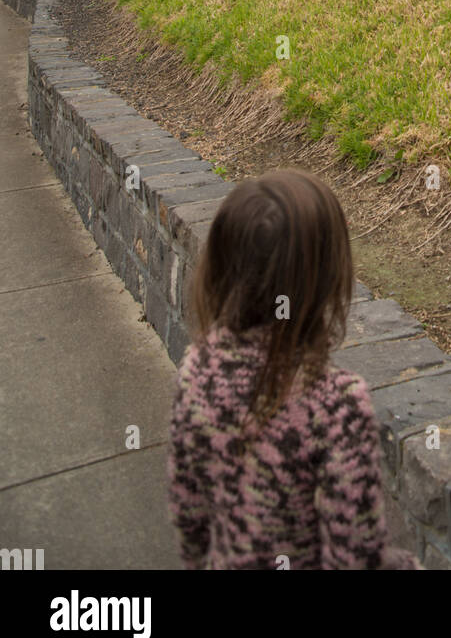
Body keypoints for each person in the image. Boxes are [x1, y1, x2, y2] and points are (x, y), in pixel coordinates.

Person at [166, 167, 421, 570]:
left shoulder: (197, 368)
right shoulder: (335, 405)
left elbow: (188, 511)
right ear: (326, 281)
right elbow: (357, 559)